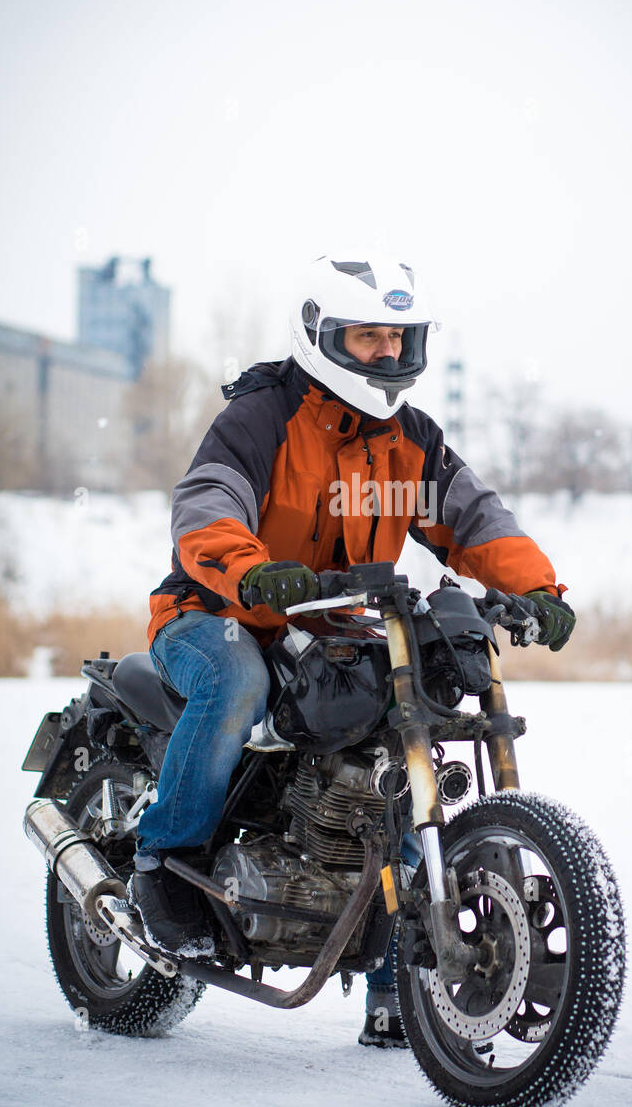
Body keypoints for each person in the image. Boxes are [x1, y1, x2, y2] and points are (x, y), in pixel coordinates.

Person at [128, 252, 575, 1047]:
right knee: (235, 682)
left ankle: (396, 979)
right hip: (216, 612)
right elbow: (204, 508)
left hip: (332, 623)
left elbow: (474, 520)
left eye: (398, 339)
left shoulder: (411, 442)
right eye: (367, 337)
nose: (386, 355)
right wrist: (254, 573)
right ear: (321, 335)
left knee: (399, 746)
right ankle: (164, 864)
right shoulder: (262, 416)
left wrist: (537, 589)